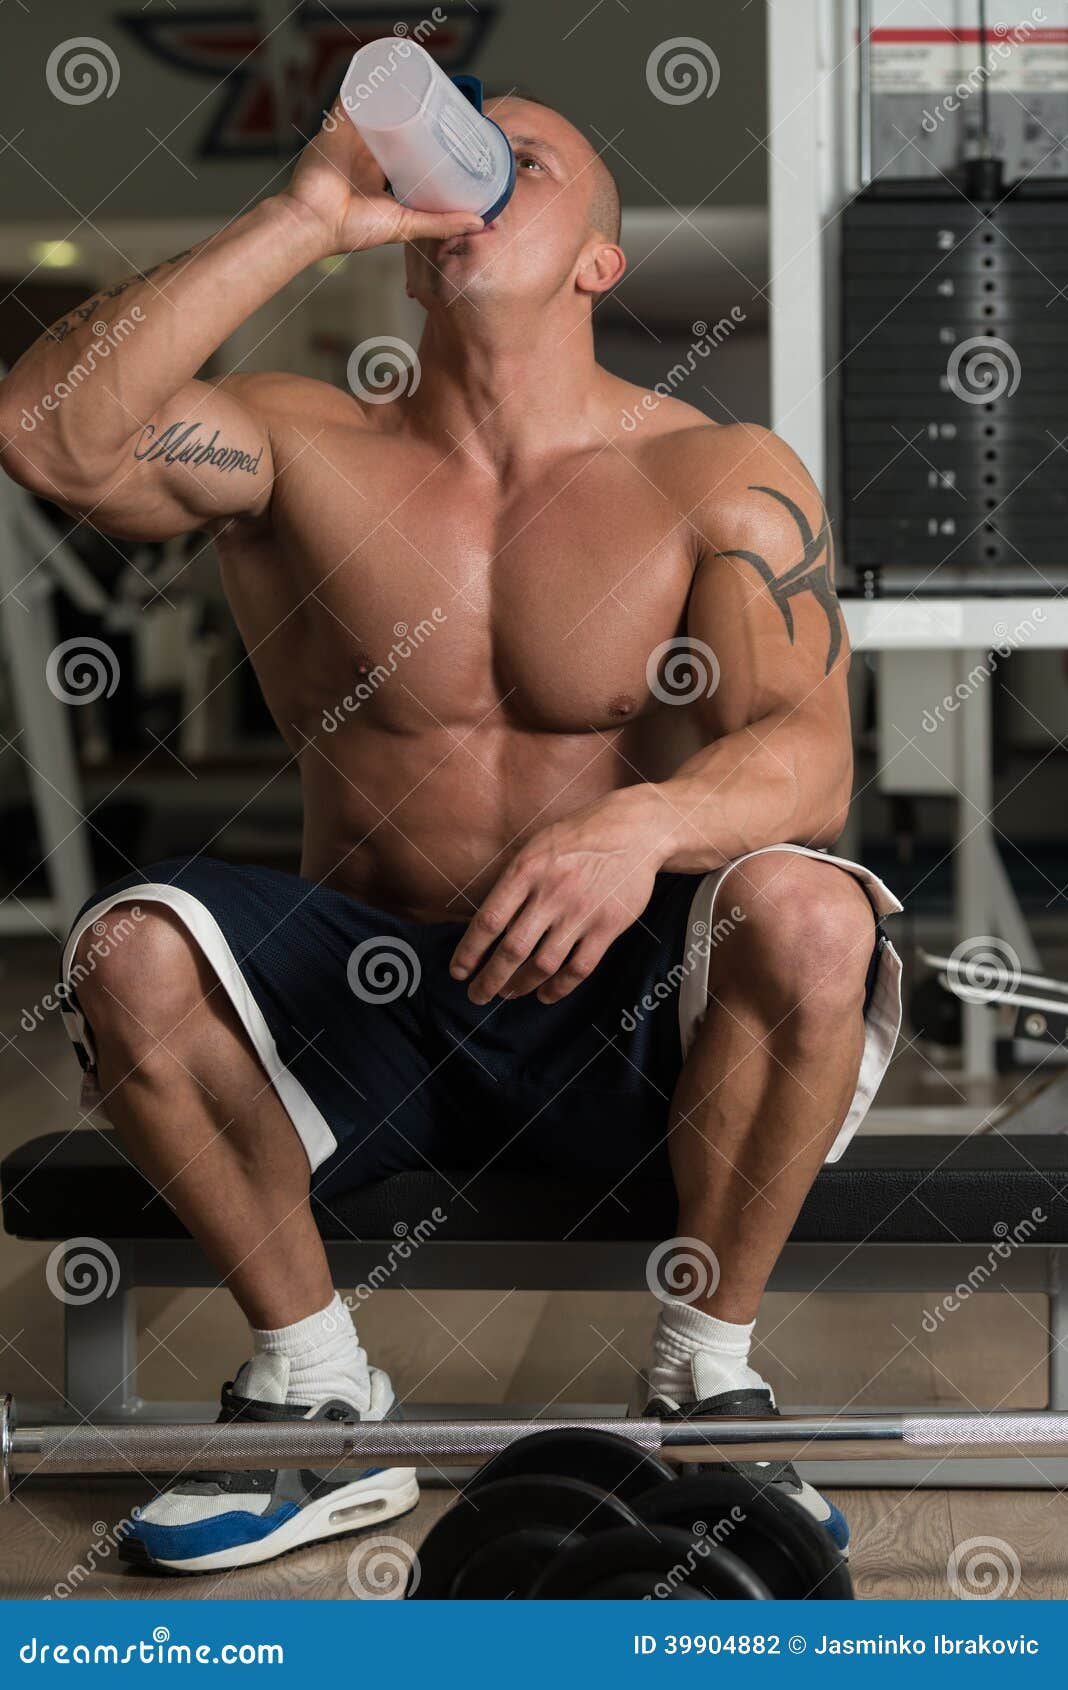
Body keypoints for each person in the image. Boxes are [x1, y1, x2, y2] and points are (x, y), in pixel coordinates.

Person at [0, 88, 901, 1576]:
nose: (471, 174)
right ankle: (311, 1383)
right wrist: (303, 216)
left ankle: (707, 1373)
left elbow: (809, 757)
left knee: (813, 909)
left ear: (600, 261)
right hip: (368, 1026)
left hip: (622, 1024)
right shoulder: (298, 444)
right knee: (129, 948)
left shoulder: (712, 469)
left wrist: (644, 822)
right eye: (451, 158)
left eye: (525, 160)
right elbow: (48, 434)